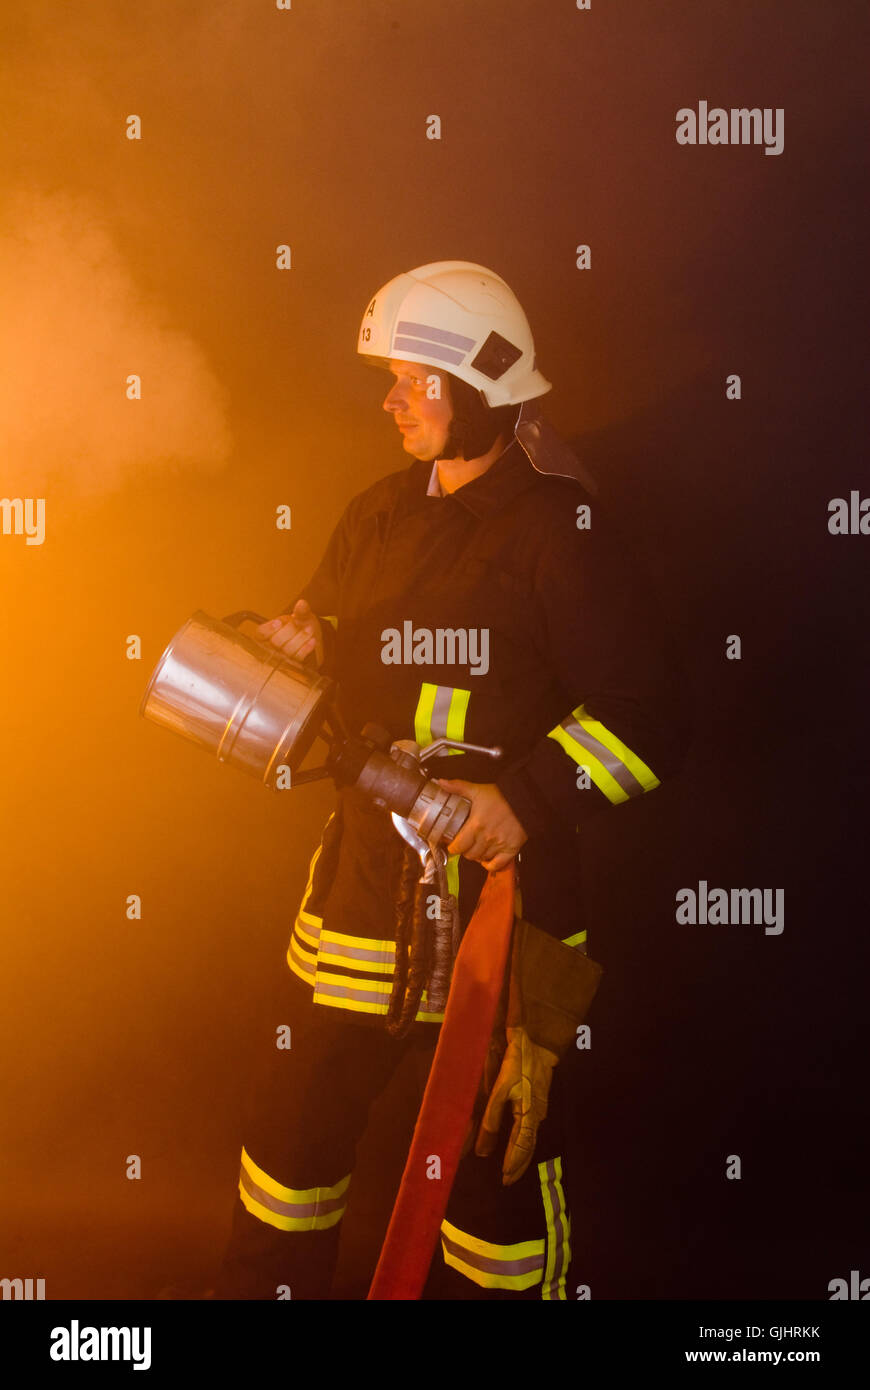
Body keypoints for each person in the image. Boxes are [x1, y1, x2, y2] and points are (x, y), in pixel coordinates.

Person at [213, 261, 686, 1300]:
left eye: (415, 381)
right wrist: (297, 642)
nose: (391, 400)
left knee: (495, 1168)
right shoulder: (376, 515)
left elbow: (646, 719)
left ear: (483, 385)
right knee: (294, 1117)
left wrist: (520, 799)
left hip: (499, 912)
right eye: (392, 379)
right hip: (363, 894)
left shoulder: (565, 534)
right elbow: (331, 640)